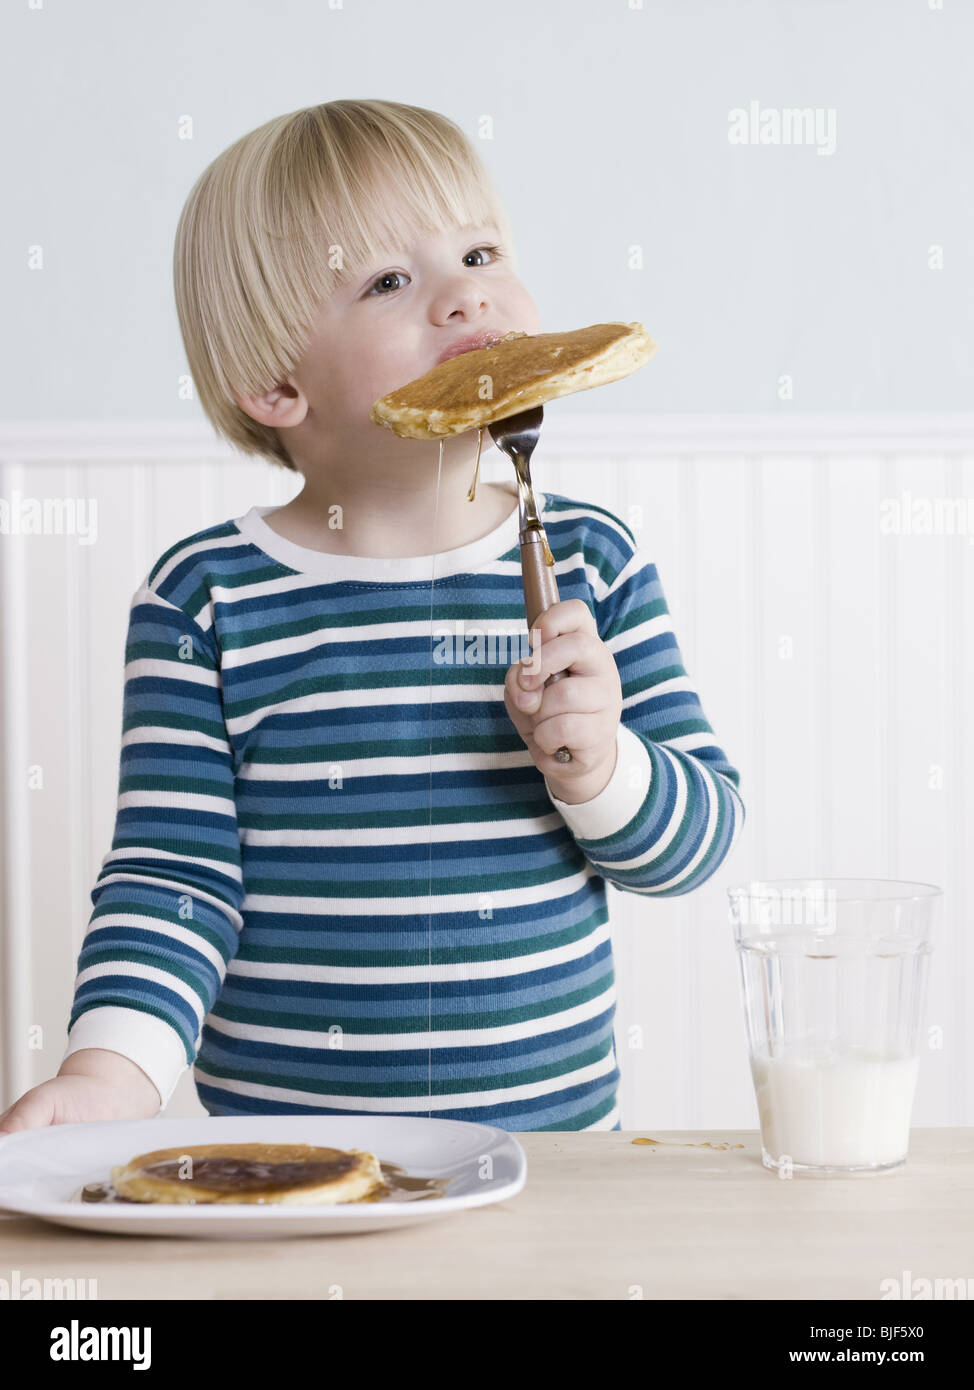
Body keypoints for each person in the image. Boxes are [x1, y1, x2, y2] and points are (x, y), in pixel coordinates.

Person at [0, 100, 745, 1136]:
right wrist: (110, 1076)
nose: (464, 295)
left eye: (479, 252)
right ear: (273, 382)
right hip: (290, 1165)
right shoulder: (204, 599)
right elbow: (175, 875)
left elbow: (695, 846)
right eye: (389, 280)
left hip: (553, 1163)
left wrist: (600, 765)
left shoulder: (588, 562)